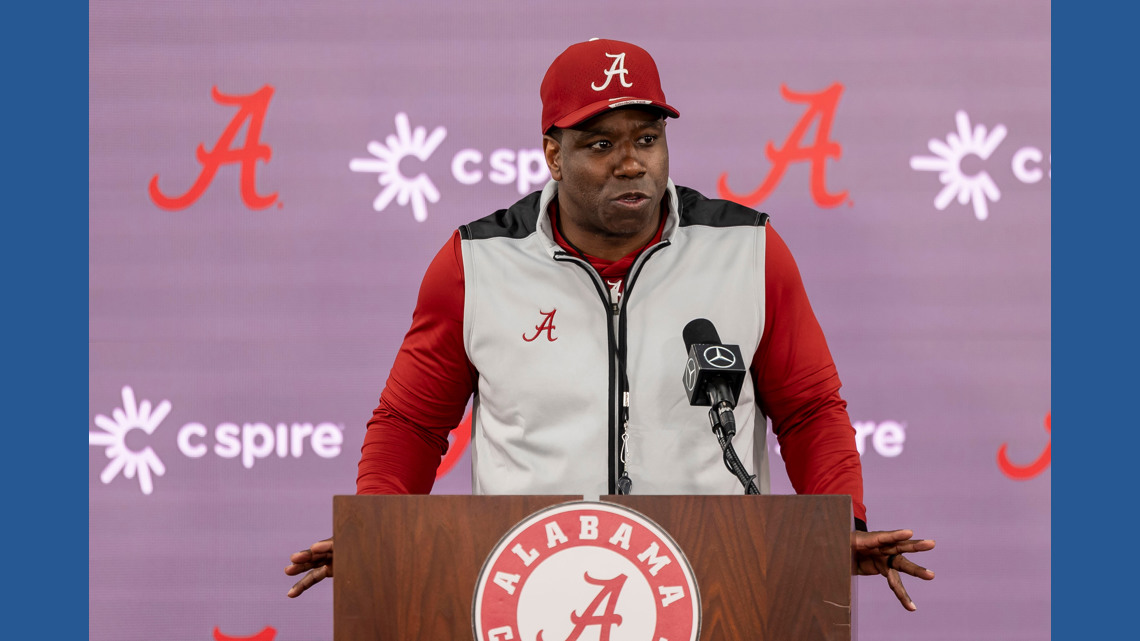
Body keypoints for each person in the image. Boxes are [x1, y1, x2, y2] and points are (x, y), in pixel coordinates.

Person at [286, 38, 934, 610]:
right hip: (531, 592)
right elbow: (411, 423)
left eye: (647, 139)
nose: (632, 163)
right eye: (602, 144)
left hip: (717, 584)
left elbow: (810, 410)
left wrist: (842, 522)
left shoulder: (749, 250)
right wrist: (376, 531)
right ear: (553, 153)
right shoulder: (476, 262)